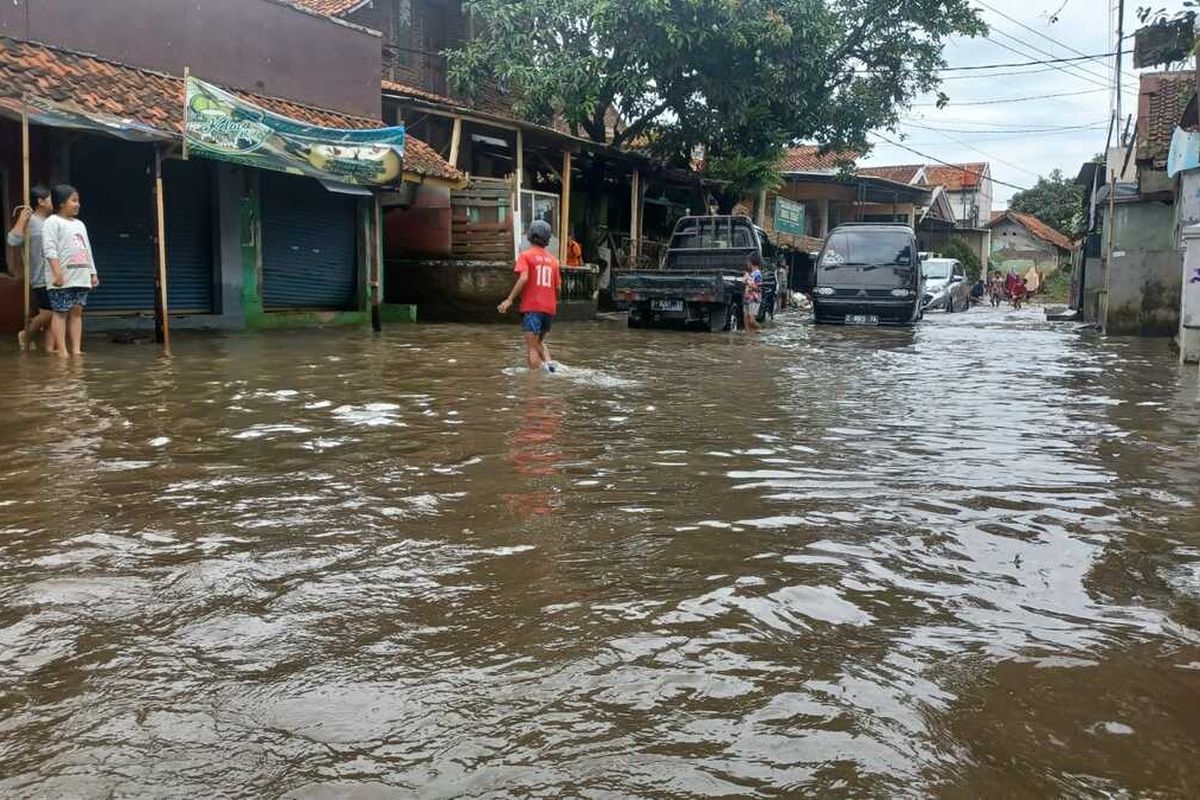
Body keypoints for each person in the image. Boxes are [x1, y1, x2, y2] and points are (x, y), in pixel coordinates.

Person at [43, 185, 98, 358]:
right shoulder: (52, 222)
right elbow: (49, 248)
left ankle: (76, 349)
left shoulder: (80, 224)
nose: (78, 204)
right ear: (60, 203)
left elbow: (87, 249)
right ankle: (62, 351)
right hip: (62, 278)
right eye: (73, 200)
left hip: (81, 277)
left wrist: (93, 273)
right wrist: (57, 272)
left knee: (76, 313)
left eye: (78, 201)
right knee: (60, 313)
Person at [498, 219, 561, 371]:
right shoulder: (554, 261)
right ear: (547, 239)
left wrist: (509, 299)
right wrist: (551, 301)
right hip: (549, 309)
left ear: (530, 236)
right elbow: (558, 287)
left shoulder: (525, 256)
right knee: (539, 342)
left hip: (533, 308)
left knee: (532, 347)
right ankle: (551, 368)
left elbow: (524, 278)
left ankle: (535, 384)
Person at [7, 187, 54, 350]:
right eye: (50, 198)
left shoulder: (52, 221)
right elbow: (13, 241)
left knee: (53, 317)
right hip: (40, 274)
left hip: (55, 274)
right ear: (41, 202)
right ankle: (26, 334)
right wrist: (21, 220)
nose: (53, 202)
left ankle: (50, 349)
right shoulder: (31, 220)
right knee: (49, 314)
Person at [742, 253, 763, 331]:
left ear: (751, 263)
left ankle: (761, 331)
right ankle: (750, 339)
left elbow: (758, 288)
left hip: (754, 299)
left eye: (748, 262)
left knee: (752, 320)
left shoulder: (758, 274)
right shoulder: (750, 273)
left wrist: (748, 282)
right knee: (746, 320)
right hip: (747, 298)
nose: (747, 264)